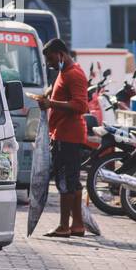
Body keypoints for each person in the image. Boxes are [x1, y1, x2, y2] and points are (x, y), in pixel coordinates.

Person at [37, 38, 89, 239]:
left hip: (68, 135)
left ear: (60, 54)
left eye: (51, 59)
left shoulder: (74, 74)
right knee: (73, 182)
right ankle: (77, 225)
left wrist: (51, 104)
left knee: (65, 182)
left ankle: (63, 226)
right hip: (63, 133)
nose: (49, 63)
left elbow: (80, 105)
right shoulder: (63, 73)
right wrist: (48, 95)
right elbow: (61, 94)